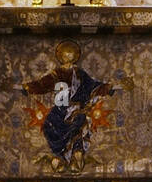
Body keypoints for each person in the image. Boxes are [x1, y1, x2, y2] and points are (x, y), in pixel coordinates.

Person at [11, 41, 114, 174]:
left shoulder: (80, 74)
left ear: (76, 56)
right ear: (61, 56)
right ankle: (59, 157)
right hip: (59, 109)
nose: (68, 56)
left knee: (77, 127)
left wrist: (109, 88)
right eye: (66, 54)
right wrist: (26, 87)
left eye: (71, 53)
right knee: (49, 125)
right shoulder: (56, 74)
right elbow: (42, 84)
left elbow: (93, 85)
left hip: (76, 109)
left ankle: (76, 158)